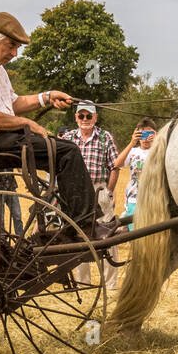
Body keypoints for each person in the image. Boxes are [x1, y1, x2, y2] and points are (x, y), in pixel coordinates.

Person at [0, 12, 96, 232]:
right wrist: (27, 124)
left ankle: (77, 220)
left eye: (17, 48)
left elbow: (11, 104)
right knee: (67, 152)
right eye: (11, 46)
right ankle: (83, 227)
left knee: (65, 150)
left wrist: (48, 96)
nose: (14, 53)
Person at [60, 100, 120, 288]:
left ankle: (110, 284)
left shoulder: (104, 137)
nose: (85, 119)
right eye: (81, 116)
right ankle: (83, 283)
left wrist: (108, 191)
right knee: (79, 237)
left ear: (95, 117)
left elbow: (115, 166)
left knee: (108, 236)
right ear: (76, 118)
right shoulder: (68, 138)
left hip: (98, 190)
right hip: (75, 192)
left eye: (89, 116)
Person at [115, 118, 157, 228]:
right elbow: (117, 164)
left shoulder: (159, 151)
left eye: (148, 134)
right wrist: (132, 143)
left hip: (154, 199)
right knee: (135, 234)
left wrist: (158, 141)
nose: (145, 139)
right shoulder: (133, 152)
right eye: (142, 134)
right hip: (134, 199)